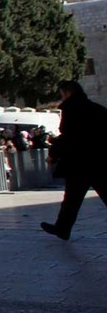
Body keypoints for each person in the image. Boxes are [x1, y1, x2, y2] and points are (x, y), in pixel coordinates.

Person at [42, 79, 107, 240]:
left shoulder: (71, 109)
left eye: (62, 94)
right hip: (99, 161)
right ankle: (62, 228)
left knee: (71, 199)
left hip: (78, 162)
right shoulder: (97, 108)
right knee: (73, 197)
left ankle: (62, 228)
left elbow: (68, 136)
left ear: (67, 92)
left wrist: (53, 154)